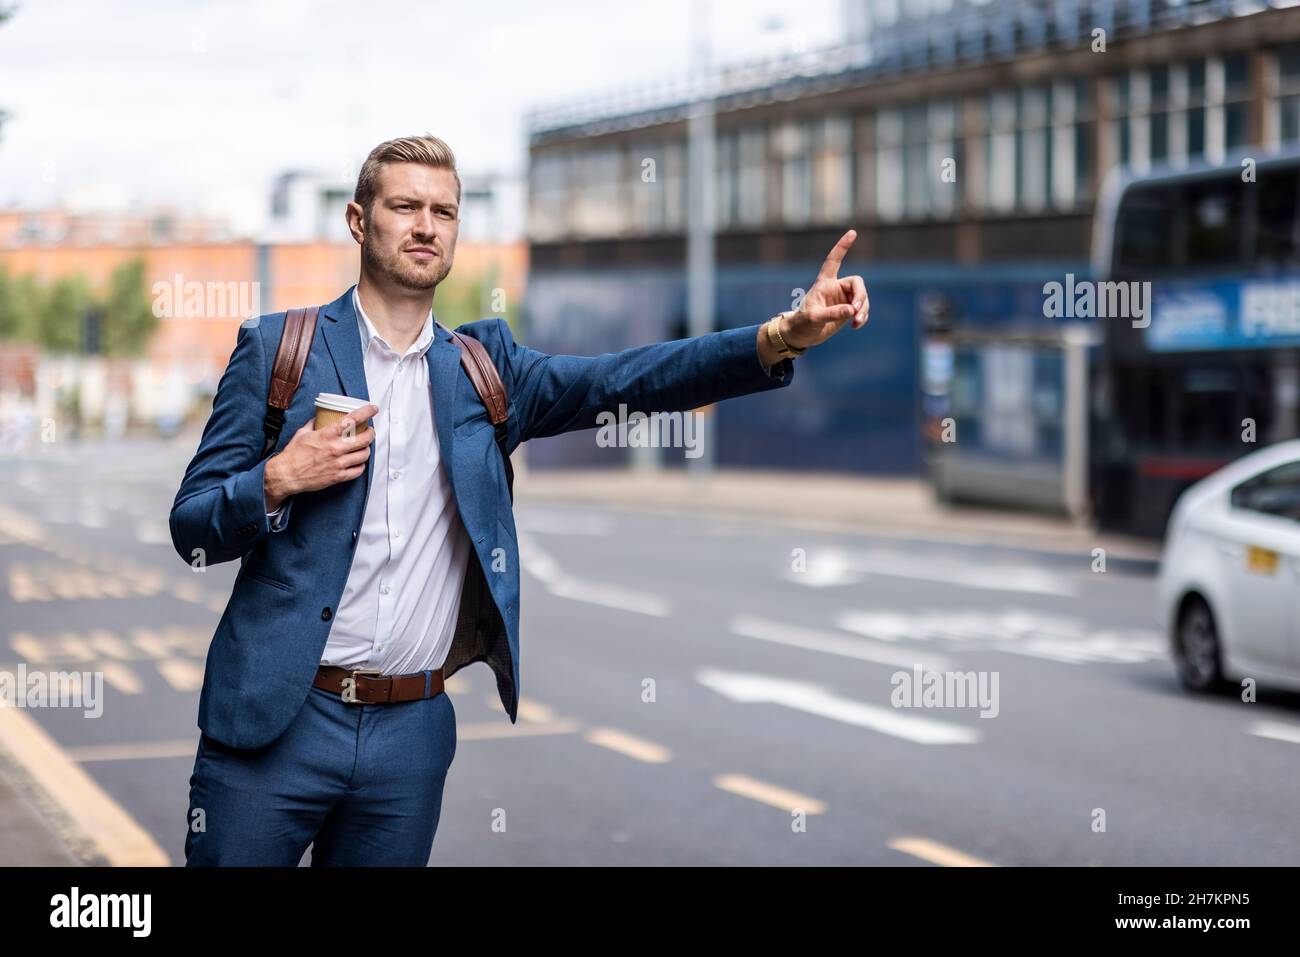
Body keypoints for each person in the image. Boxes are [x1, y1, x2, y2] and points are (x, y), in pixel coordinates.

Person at [170, 134, 869, 866]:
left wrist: (779, 336)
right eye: (405, 205)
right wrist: (279, 478)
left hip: (408, 733)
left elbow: (626, 379)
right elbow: (192, 524)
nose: (425, 225)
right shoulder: (280, 349)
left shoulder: (484, 372)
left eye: (444, 211)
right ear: (357, 220)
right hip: (276, 724)